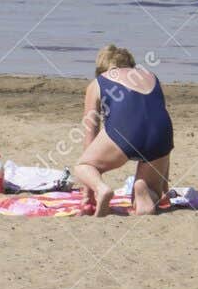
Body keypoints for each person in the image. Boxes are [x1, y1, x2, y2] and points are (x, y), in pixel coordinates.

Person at [72, 45, 174, 217]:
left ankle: (102, 189)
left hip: (125, 131)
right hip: (161, 135)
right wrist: (163, 188)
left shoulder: (99, 82)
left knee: (83, 166)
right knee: (151, 191)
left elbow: (91, 131)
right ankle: (144, 191)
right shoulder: (151, 77)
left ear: (102, 68)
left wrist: (90, 191)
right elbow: (159, 118)